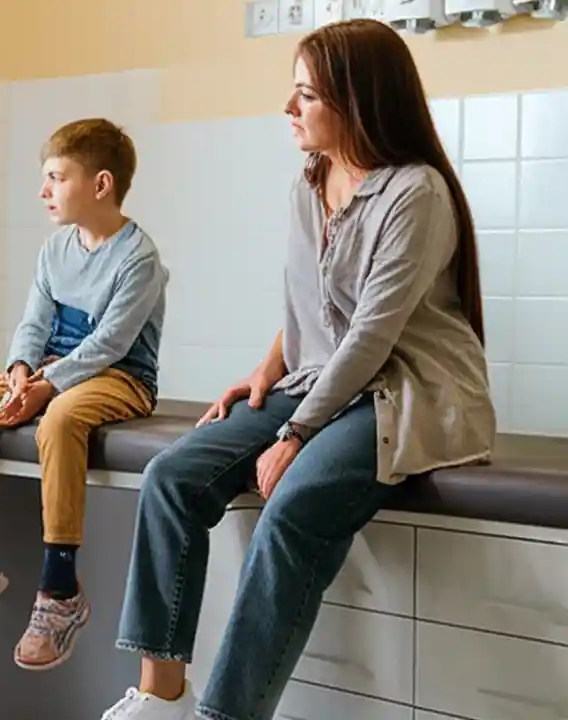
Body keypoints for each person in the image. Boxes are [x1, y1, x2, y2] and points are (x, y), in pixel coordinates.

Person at [100, 19, 495, 720]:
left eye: (306, 95)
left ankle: (228, 715)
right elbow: (314, 304)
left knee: (291, 510)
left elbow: (372, 333)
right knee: (171, 476)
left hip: (402, 393)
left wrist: (295, 432)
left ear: (358, 100)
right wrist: (266, 370)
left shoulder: (416, 192)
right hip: (322, 381)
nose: (289, 108)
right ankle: (161, 697)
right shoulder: (310, 182)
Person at [0, 118, 170, 672]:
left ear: (100, 184)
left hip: (119, 376)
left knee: (60, 421)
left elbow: (111, 343)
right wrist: (19, 372)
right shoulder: (55, 250)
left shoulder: (138, 258)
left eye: (56, 177)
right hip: (49, 371)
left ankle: (60, 589)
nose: (44, 191)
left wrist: (47, 389)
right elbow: (34, 322)